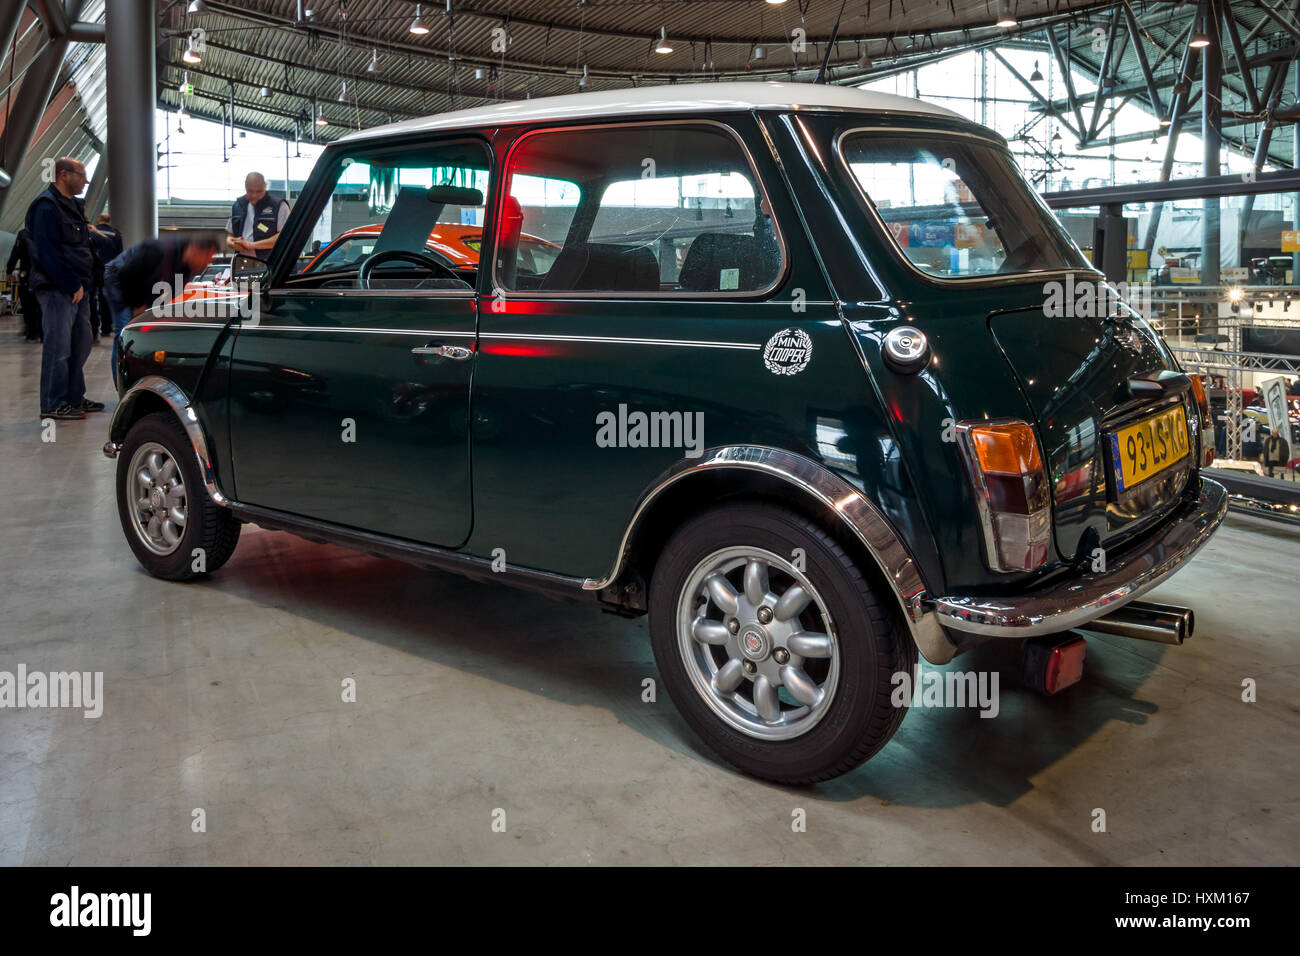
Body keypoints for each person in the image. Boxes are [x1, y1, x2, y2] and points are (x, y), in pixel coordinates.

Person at [25, 156, 102, 421]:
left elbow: (80, 249)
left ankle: (73, 397)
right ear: (63, 175)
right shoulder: (47, 207)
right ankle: (53, 403)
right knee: (58, 348)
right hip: (59, 288)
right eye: (81, 174)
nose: (86, 180)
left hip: (78, 288)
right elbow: (46, 251)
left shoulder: (73, 207)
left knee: (80, 344)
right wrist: (71, 284)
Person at [103, 233, 222, 379]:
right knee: (126, 332)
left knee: (144, 328)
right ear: (196, 250)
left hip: (140, 286)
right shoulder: (160, 251)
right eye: (207, 259)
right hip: (118, 280)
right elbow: (129, 275)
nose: (206, 265)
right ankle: (121, 382)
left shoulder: (185, 266)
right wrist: (138, 306)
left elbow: (168, 292)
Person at [225, 172, 289, 261]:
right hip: (243, 261)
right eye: (250, 191)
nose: (254, 195)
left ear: (265, 187)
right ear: (245, 188)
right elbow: (230, 235)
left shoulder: (279, 206)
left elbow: (284, 237)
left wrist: (251, 245)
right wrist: (231, 243)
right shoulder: (238, 205)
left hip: (269, 261)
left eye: (259, 191)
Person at [89, 213, 124, 337]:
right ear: (109, 221)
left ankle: (94, 328)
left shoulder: (91, 233)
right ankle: (106, 328)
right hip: (110, 270)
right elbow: (120, 253)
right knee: (106, 299)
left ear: (98, 220)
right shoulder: (116, 234)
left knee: (92, 299)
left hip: (93, 270)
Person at [5, 228, 43, 341]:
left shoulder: (24, 234)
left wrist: (9, 271)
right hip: (44, 273)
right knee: (41, 303)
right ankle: (42, 331)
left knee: (27, 302)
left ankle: (31, 331)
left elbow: (15, 252)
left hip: (27, 273)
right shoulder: (47, 228)